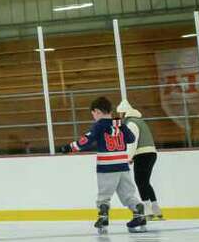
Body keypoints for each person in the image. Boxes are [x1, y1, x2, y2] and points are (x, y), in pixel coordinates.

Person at [62, 96, 145, 232]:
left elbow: (86, 140)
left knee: (104, 195)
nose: (94, 117)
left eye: (93, 114)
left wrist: (69, 147)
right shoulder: (119, 123)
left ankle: (103, 216)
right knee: (128, 194)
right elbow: (131, 139)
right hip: (123, 166)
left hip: (107, 167)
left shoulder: (99, 125)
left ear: (97, 111)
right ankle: (138, 211)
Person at [117, 100, 162, 220]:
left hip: (143, 154)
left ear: (123, 113)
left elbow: (133, 142)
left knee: (140, 181)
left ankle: (148, 212)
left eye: (120, 114)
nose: (119, 117)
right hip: (150, 153)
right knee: (145, 182)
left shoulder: (131, 123)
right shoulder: (139, 121)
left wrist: (128, 157)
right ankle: (156, 209)